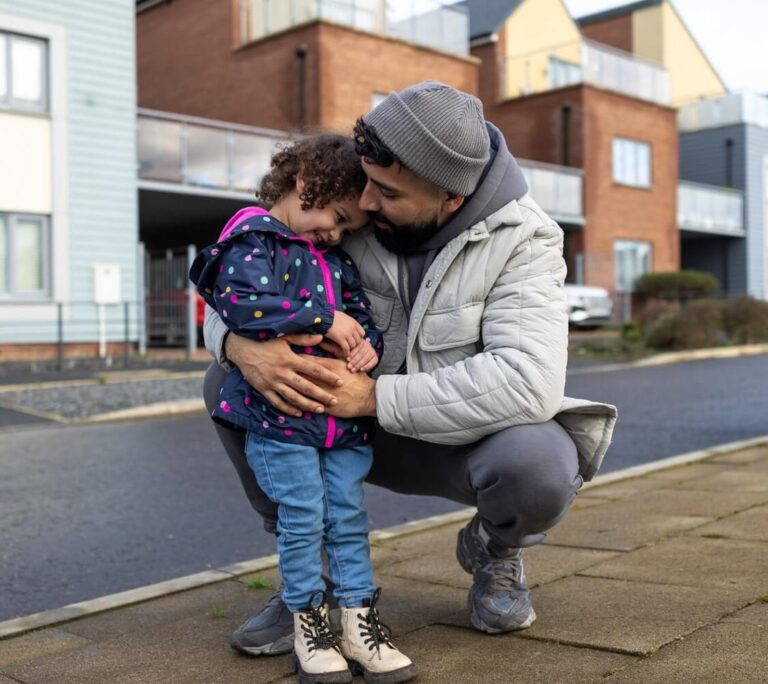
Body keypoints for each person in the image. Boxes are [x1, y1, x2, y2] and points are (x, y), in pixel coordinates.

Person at [203, 82, 617, 655]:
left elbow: (528, 381)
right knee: (229, 383)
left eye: (387, 193)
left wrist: (372, 397)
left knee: (540, 464)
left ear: (449, 198)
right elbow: (241, 282)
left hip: (456, 438)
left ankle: (494, 552)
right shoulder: (352, 206)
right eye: (366, 184)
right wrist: (240, 347)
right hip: (346, 427)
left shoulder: (526, 237)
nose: (366, 205)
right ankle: (307, 579)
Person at [191, 135, 416, 684]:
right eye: (336, 217)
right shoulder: (249, 238)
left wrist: (368, 346)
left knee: (347, 517)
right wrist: (323, 320)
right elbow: (241, 303)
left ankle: (359, 622)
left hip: (340, 428)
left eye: (346, 229)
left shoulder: (334, 260)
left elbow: (360, 315)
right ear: (304, 182)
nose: (336, 233)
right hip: (280, 423)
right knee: (301, 519)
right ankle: (308, 625)